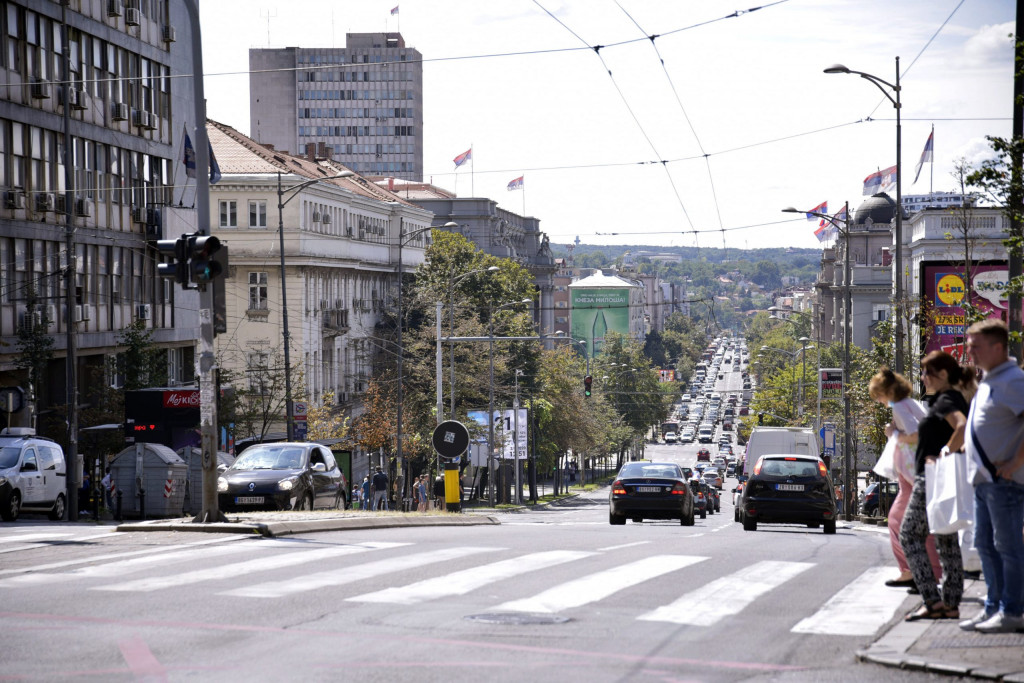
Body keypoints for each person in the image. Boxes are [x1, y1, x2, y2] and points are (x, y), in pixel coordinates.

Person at [961, 319, 1024, 633]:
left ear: (998, 348)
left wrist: (1016, 461)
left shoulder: (1013, 380)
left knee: (1008, 547)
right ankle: (994, 607)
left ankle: (1013, 611)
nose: (969, 352)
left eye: (976, 346)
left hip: (1004, 481)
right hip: (985, 480)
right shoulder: (989, 380)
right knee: (985, 545)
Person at [901, 351, 971, 621]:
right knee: (946, 538)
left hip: (931, 477)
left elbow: (962, 427)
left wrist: (944, 453)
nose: (922, 378)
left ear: (941, 374)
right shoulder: (956, 397)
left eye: (926, 373)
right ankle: (950, 604)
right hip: (944, 478)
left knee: (910, 535)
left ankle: (932, 601)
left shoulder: (945, 400)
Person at [869, 368, 942, 590]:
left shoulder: (899, 407)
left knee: (897, 521)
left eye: (879, 395)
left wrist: (893, 433)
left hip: (911, 474)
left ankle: (911, 571)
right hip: (918, 471)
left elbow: (916, 433)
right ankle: (928, 571)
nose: (879, 401)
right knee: (921, 524)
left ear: (888, 392)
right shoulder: (910, 402)